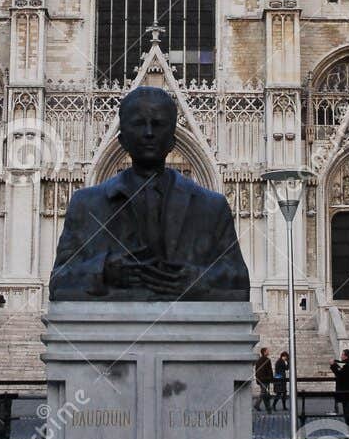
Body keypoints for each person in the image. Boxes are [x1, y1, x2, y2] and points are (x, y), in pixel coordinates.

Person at [48, 86, 250, 301]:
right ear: (122, 140)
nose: (149, 133)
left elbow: (239, 279)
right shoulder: (86, 204)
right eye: (138, 124)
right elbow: (59, 280)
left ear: (173, 140)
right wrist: (104, 270)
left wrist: (196, 279)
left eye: (159, 124)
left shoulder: (212, 206)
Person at [254, 347, 274, 412]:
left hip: (260, 379)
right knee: (263, 392)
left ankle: (267, 408)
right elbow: (269, 370)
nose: (268, 352)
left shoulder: (258, 360)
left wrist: (257, 378)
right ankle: (257, 405)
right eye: (267, 351)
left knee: (264, 392)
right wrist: (271, 378)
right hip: (265, 379)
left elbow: (256, 370)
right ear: (264, 352)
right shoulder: (267, 360)